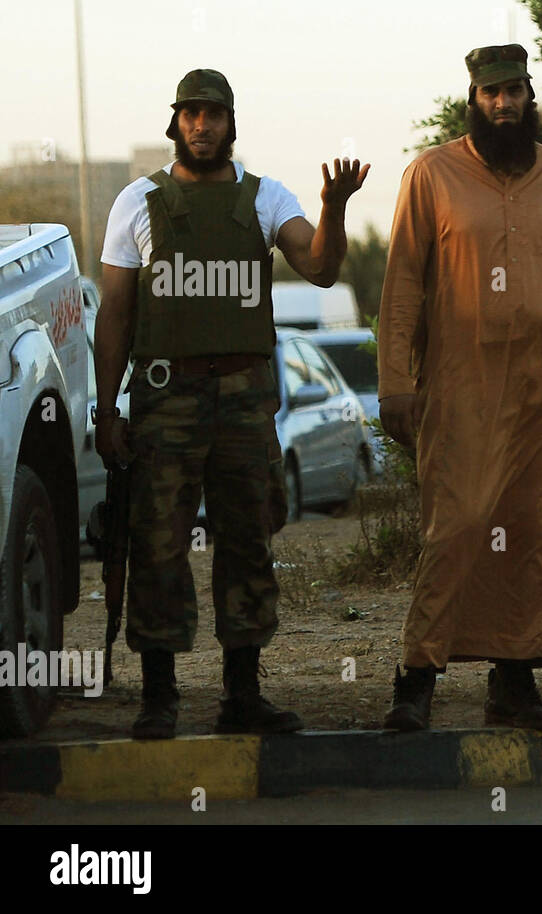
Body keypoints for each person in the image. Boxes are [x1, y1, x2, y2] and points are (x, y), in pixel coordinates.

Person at [94, 69, 368, 739]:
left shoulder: (266, 197)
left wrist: (333, 207)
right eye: (190, 112)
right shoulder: (137, 201)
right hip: (166, 397)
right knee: (158, 546)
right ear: (175, 122)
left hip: (245, 400)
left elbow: (322, 268)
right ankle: (159, 698)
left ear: (230, 122)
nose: (202, 124)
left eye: (213, 113)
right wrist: (107, 411)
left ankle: (241, 696)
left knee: (247, 540)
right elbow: (115, 315)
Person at [376, 44, 542, 732]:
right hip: (460, 385)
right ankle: (417, 676)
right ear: (474, 99)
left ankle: (513, 681)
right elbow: (402, 284)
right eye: (491, 95)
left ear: (529, 95)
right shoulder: (430, 176)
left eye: (514, 92)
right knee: (458, 525)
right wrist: (395, 381)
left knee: (530, 529)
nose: (504, 104)